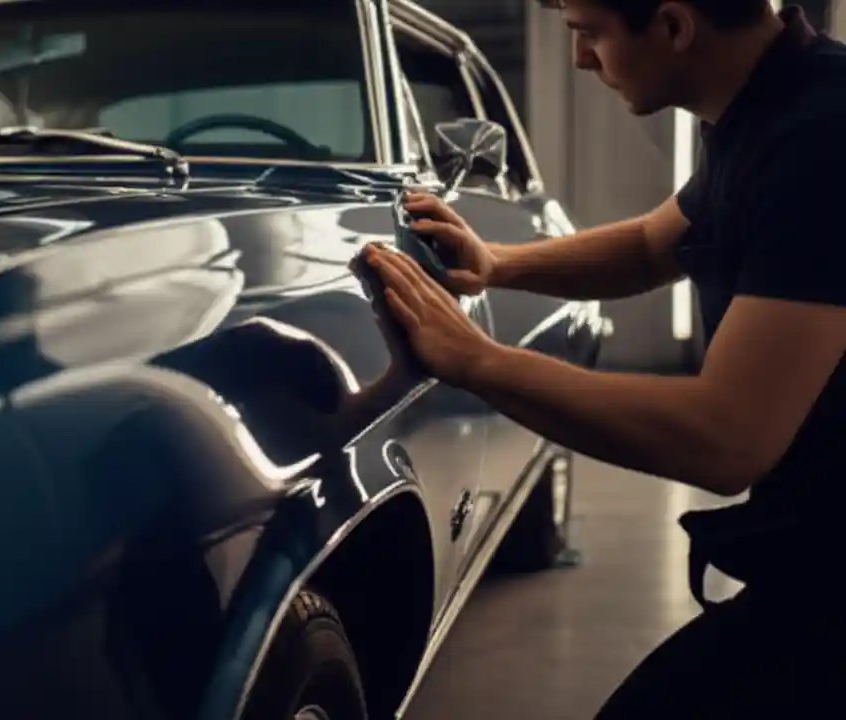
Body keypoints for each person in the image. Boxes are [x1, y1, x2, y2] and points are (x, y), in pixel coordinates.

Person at [357, 1, 846, 716]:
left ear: (676, 26)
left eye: (588, 32)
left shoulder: (823, 137)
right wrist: (497, 264)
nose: (581, 59)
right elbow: (653, 245)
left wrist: (475, 361)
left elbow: (725, 437)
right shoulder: (770, 108)